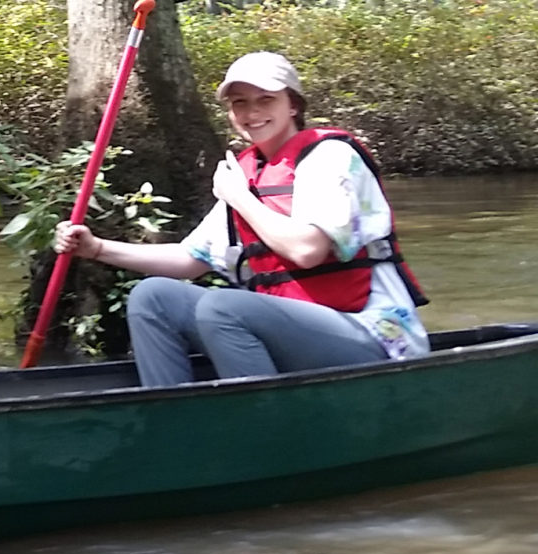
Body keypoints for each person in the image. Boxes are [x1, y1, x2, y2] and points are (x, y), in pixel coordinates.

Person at [51, 52, 430, 387]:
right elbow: (188, 260)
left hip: (373, 337)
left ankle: (256, 427)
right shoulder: (247, 173)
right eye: (240, 103)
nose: (252, 113)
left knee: (223, 307)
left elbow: (308, 250)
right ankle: (171, 421)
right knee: (153, 296)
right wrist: (96, 247)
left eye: (266, 100)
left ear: (293, 104)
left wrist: (239, 198)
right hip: (294, 334)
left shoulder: (331, 158)